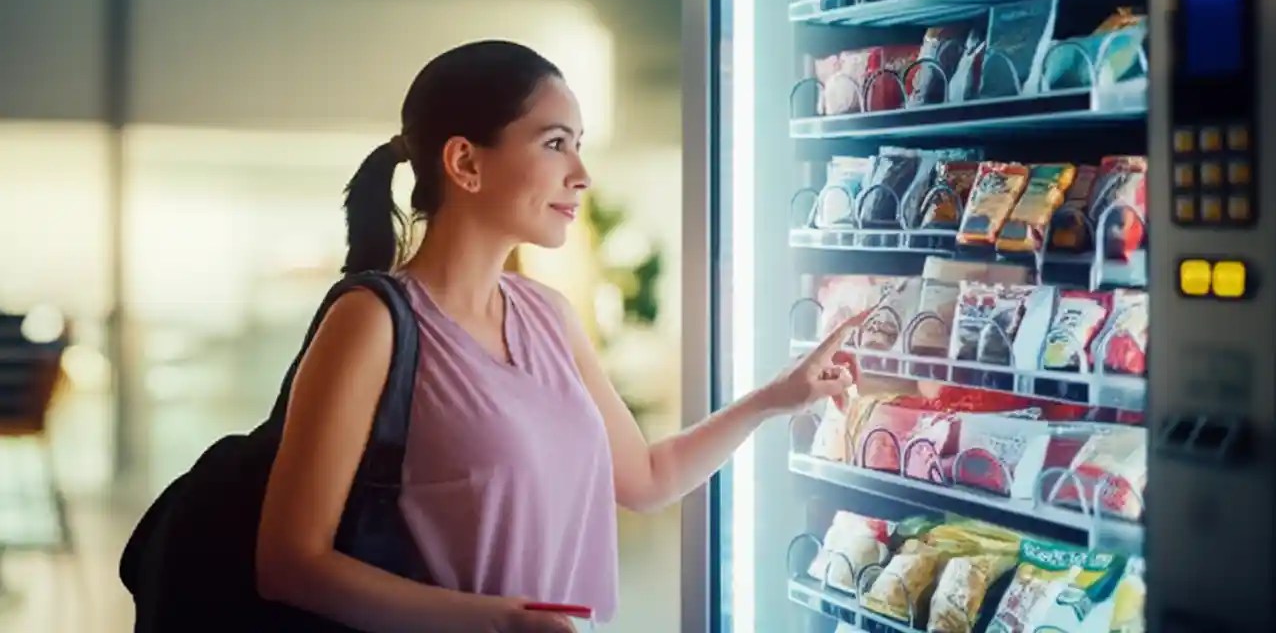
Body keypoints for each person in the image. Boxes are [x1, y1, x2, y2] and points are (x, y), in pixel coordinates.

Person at [254, 40, 858, 633]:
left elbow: (645, 480)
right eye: (555, 144)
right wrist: (494, 622)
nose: (582, 175)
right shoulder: (370, 322)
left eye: (579, 145)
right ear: (465, 162)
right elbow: (289, 564)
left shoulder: (548, 314)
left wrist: (773, 399)